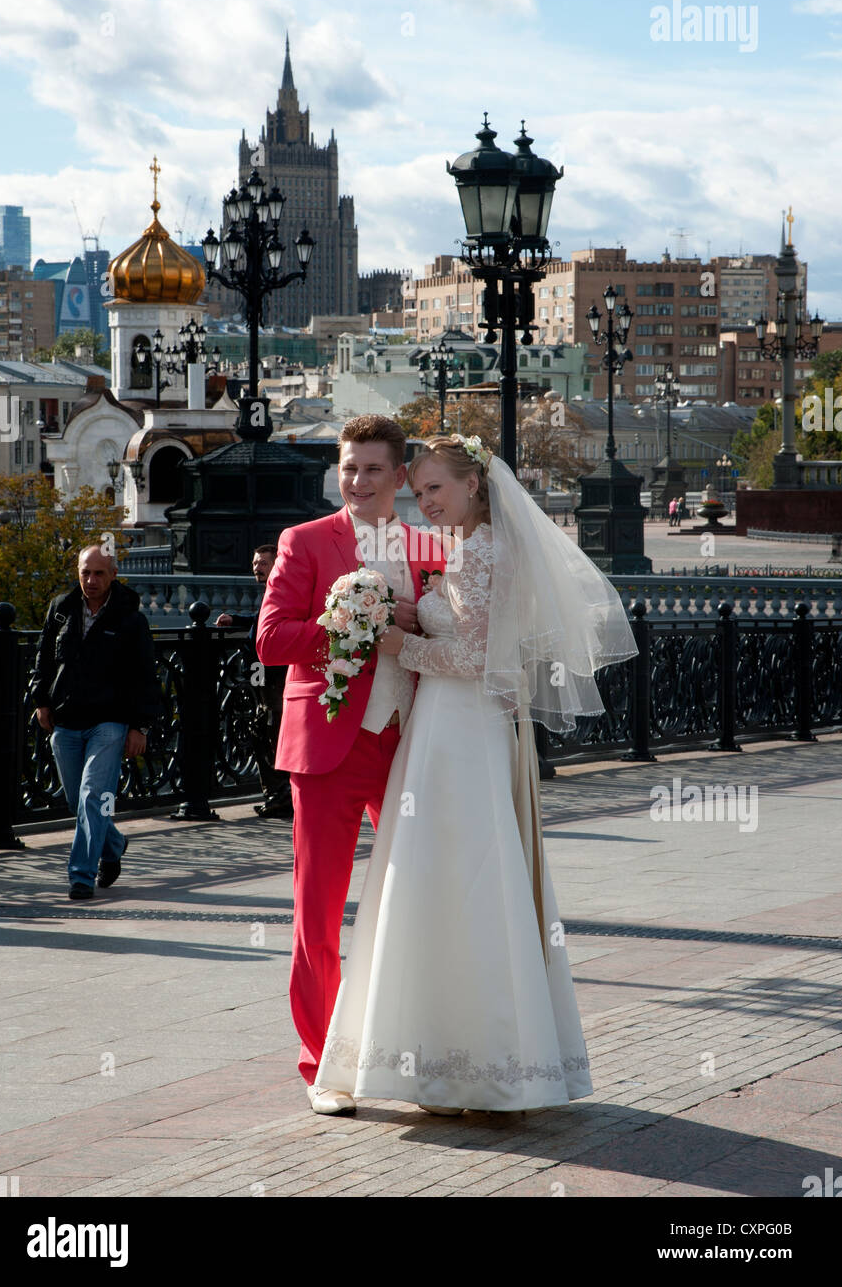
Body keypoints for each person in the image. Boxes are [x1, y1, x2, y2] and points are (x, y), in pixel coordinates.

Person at [314, 434, 639, 1115]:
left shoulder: (476, 553)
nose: (424, 501)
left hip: (453, 735)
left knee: (440, 880)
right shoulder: (486, 548)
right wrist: (410, 617)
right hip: (469, 733)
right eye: (421, 489)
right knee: (473, 880)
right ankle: (479, 1067)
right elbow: (477, 643)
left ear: (473, 486)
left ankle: (450, 1068)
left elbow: (473, 659)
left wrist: (392, 639)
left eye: (435, 488)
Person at [256, 415, 447, 1114]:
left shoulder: (433, 545)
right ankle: (324, 1069)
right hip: (329, 747)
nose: (358, 480)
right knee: (318, 912)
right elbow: (271, 639)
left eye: (372, 469)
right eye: (348, 467)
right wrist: (351, 623)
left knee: (419, 906)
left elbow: (457, 630)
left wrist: (416, 623)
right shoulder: (305, 541)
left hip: (411, 746)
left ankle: (419, 1062)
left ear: (400, 478)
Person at [32, 544, 160, 900]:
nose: (91, 580)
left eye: (99, 573)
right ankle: (114, 843)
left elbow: (145, 677)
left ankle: (81, 876)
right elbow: (43, 659)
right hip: (66, 721)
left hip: (110, 722)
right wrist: (40, 701)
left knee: (94, 796)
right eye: (85, 572)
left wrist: (140, 727)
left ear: (113, 575)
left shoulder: (130, 617)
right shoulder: (61, 608)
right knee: (78, 801)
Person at [215, 545, 291, 820]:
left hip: (270, 671)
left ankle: (280, 795)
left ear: (276, 564)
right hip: (260, 670)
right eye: (254, 563)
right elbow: (261, 621)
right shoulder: (273, 590)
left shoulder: (281, 590)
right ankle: (278, 794)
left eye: (262, 563)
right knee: (266, 727)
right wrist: (237, 619)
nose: (256, 568)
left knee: (269, 728)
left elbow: (268, 624)